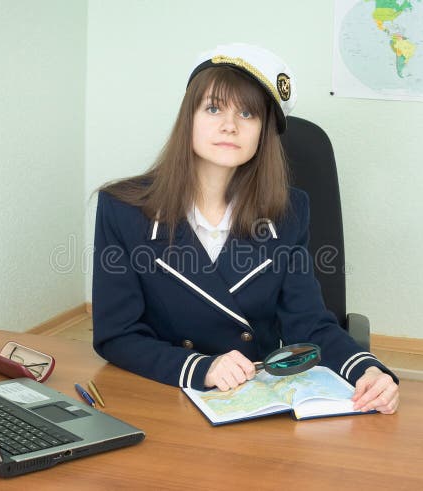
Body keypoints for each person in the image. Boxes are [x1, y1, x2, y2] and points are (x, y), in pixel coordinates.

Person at [92, 43, 399, 414]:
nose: (229, 126)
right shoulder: (123, 208)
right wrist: (202, 368)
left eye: (248, 113)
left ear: (263, 133)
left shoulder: (289, 212)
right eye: (213, 108)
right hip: (164, 395)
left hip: (255, 400)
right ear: (188, 117)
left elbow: (310, 324)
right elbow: (117, 335)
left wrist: (367, 369)